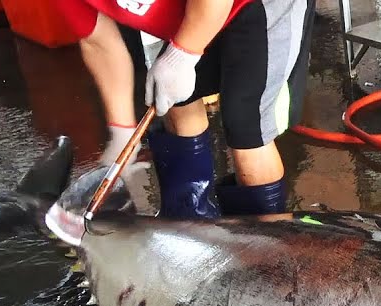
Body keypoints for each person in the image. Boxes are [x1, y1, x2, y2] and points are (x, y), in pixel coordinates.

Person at [55, 0, 314, 218]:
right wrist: (122, 131)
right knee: (173, 103)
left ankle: (267, 255)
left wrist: (183, 55)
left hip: (258, 5)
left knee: (246, 126)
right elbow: (99, 43)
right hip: (193, 10)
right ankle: (190, 222)